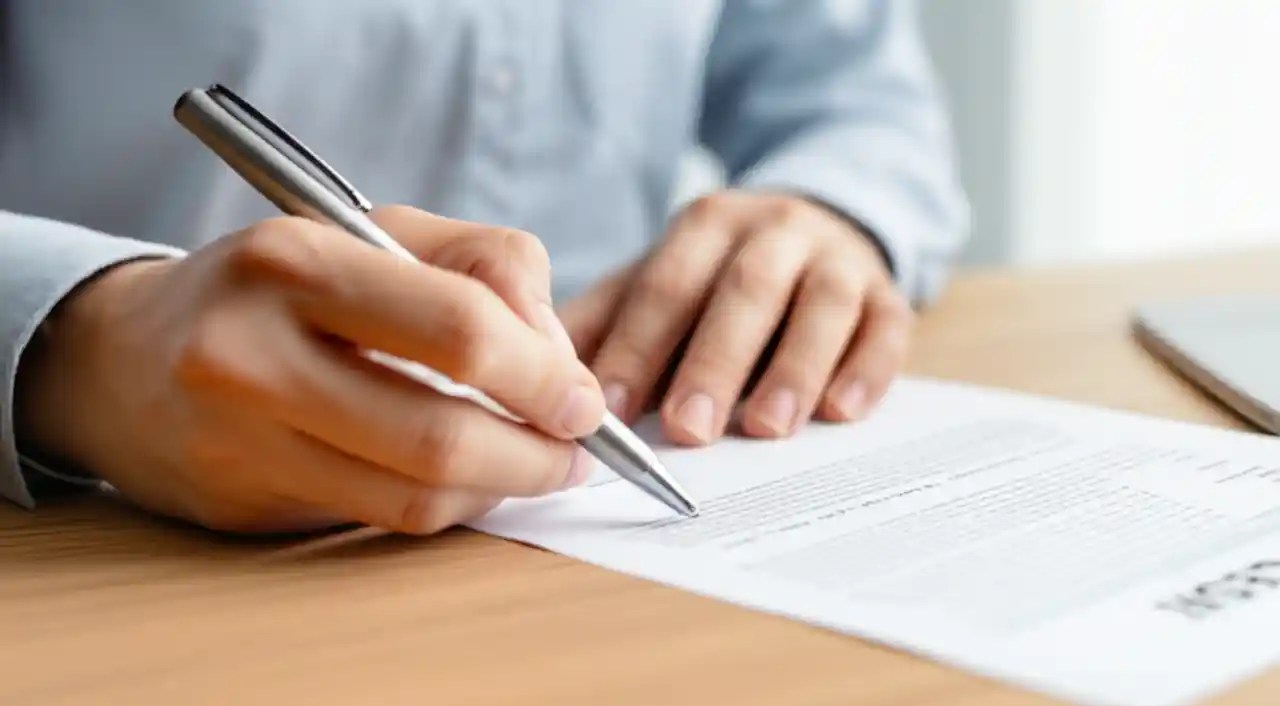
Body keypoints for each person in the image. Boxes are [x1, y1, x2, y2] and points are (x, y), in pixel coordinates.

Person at [0, 1, 967, 535]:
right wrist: (76, 341)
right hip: (110, 534)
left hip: (607, 469)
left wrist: (830, 210)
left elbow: (856, 99)